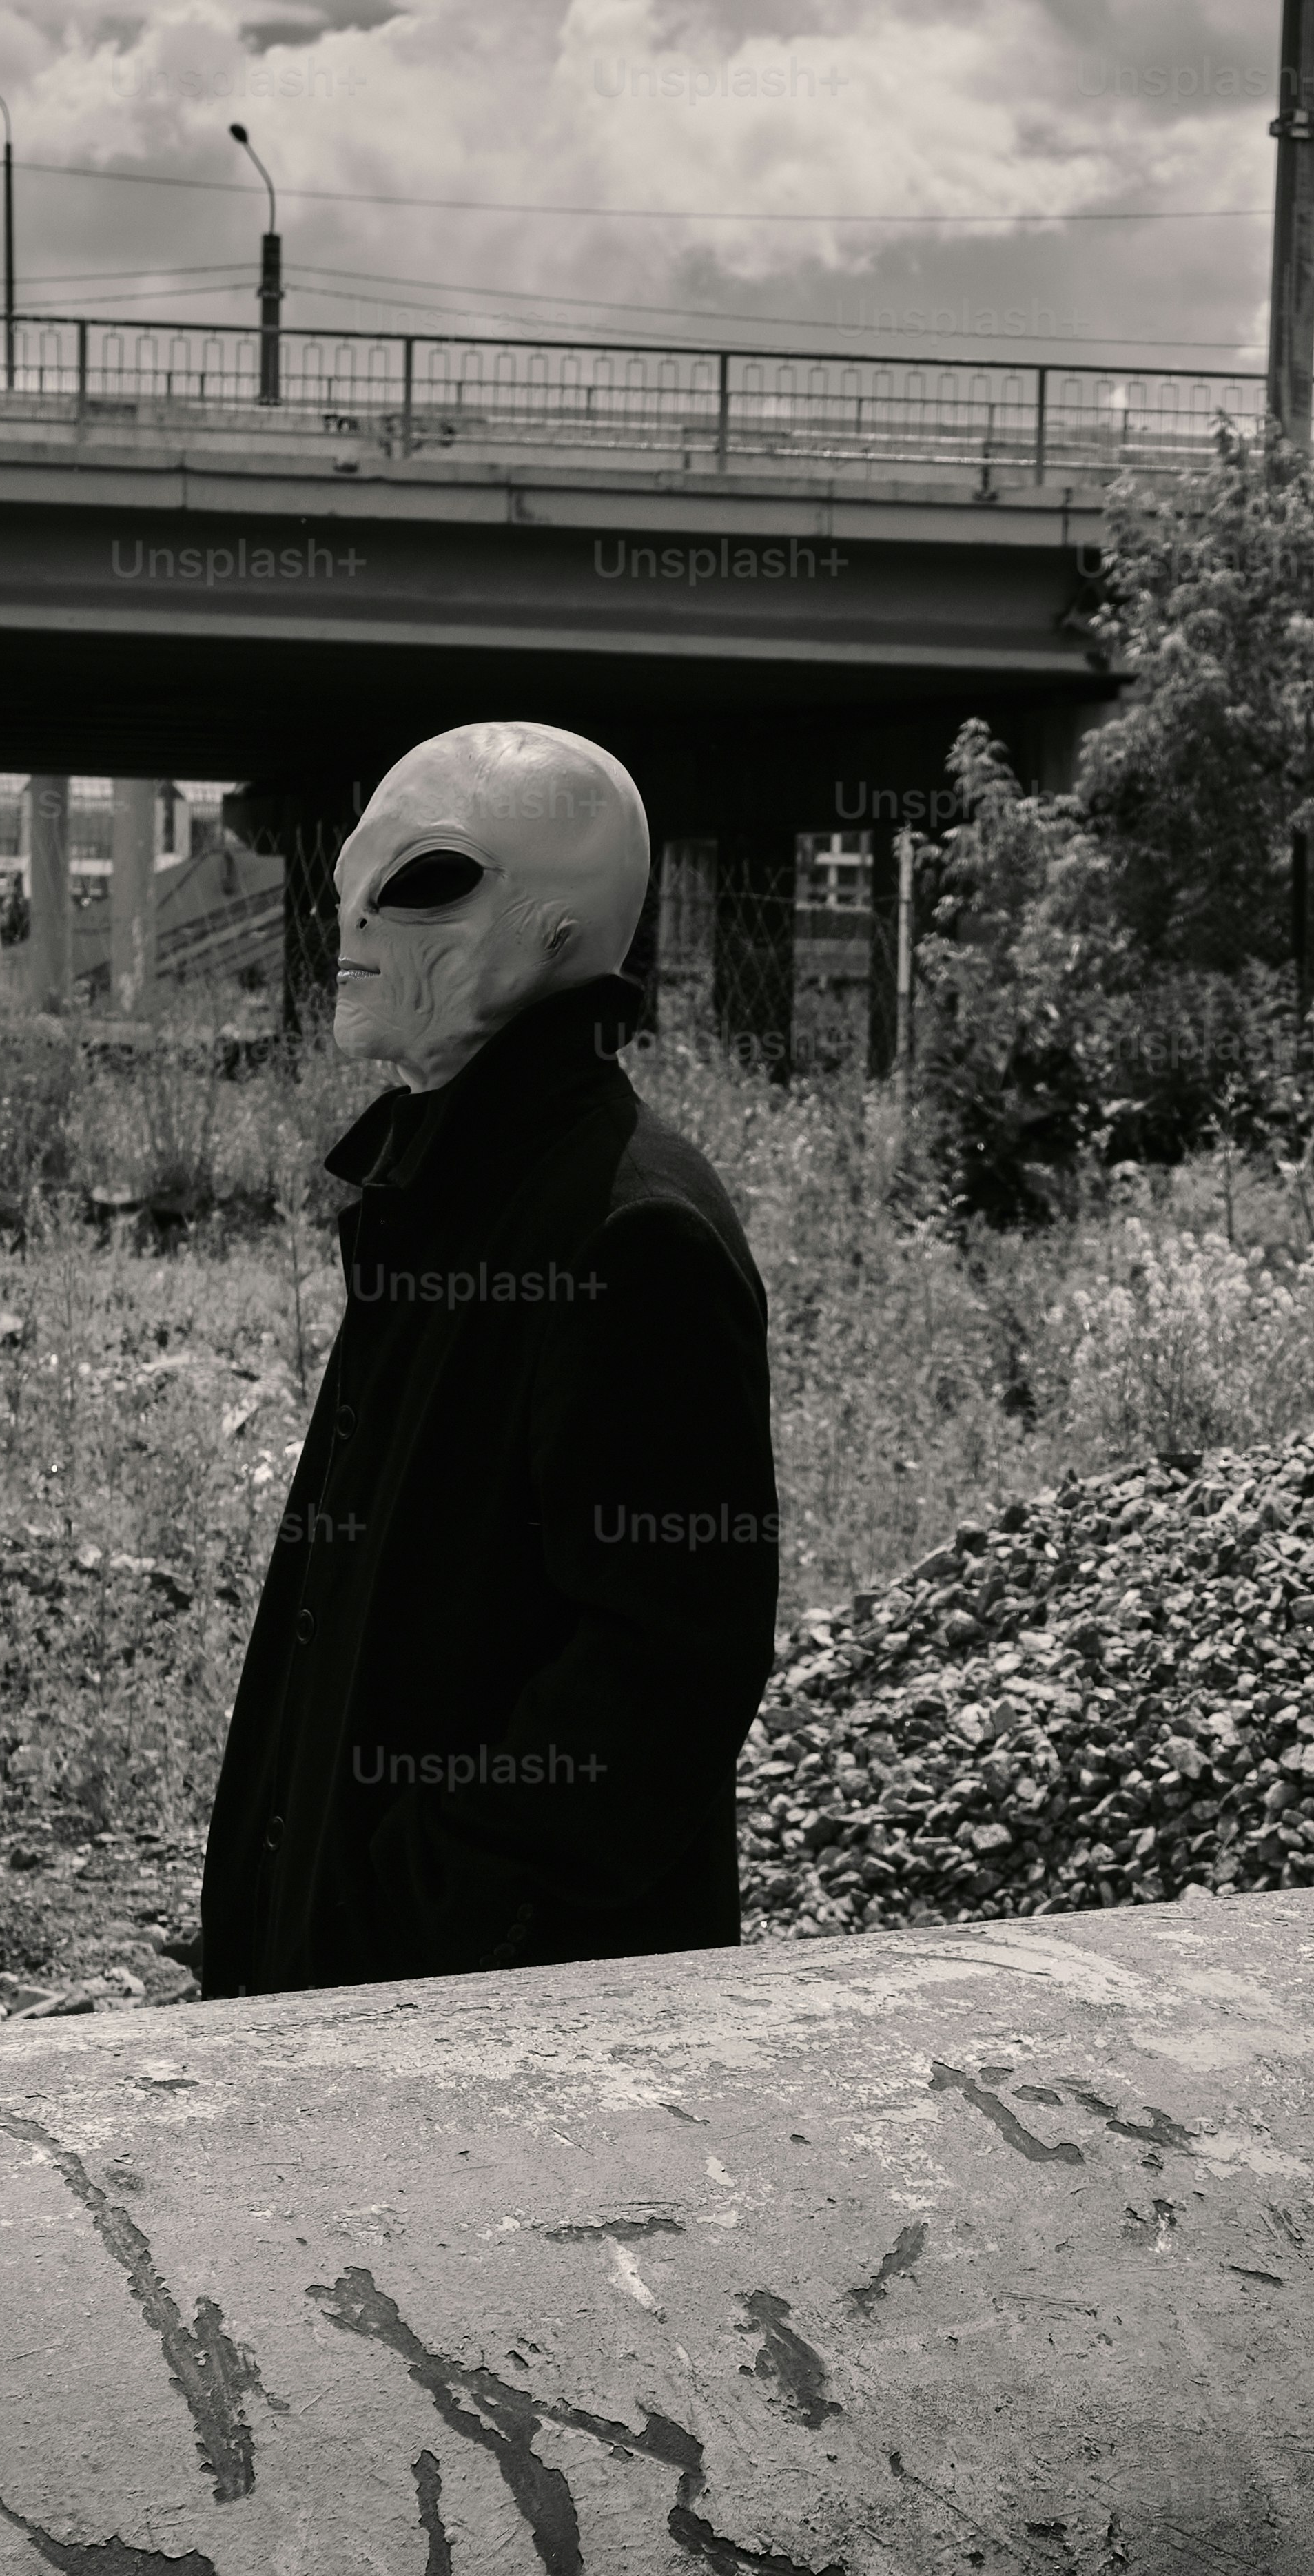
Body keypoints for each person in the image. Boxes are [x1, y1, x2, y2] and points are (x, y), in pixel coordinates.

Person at [198, 721, 778, 1997]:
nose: (352, 921)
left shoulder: (631, 1233)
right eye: (348, 880)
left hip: (495, 2054)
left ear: (558, 932)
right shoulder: (457, 1183)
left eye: (420, 882)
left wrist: (420, 1917)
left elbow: (665, 1671)